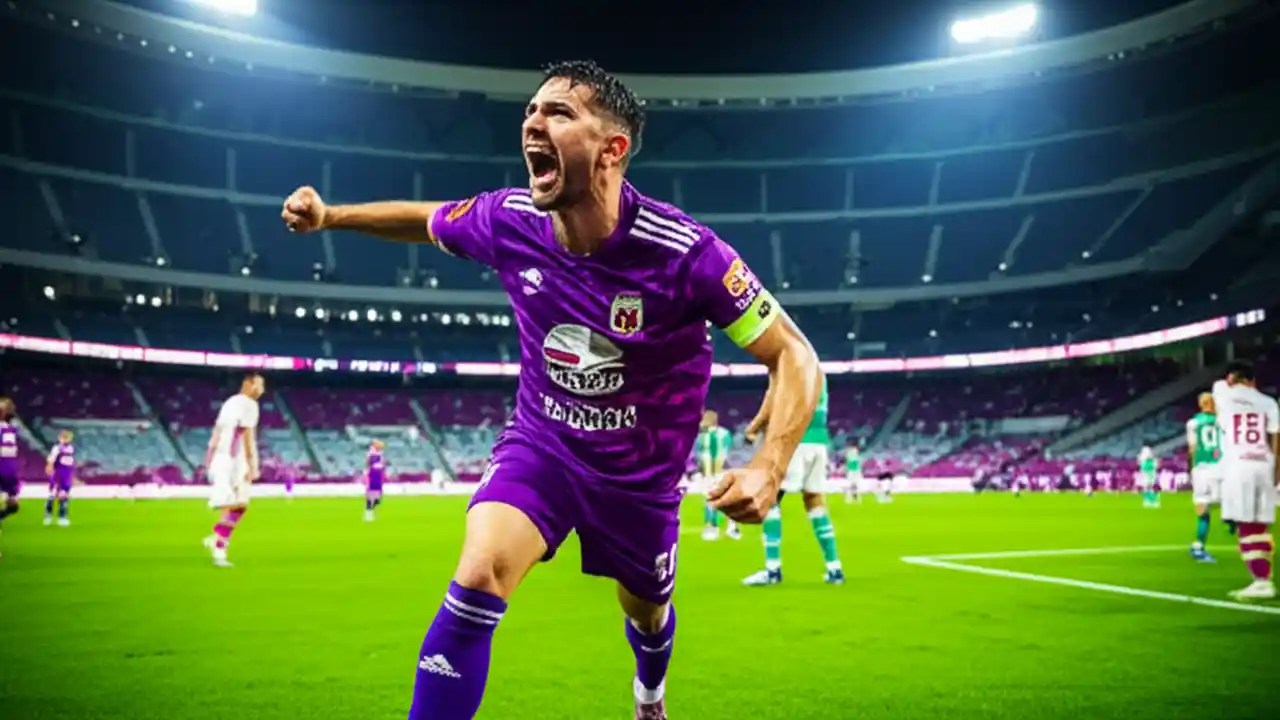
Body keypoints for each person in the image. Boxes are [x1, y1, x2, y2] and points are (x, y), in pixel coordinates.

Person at [281, 59, 821, 720]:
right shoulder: (508, 221)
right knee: (479, 574)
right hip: (543, 447)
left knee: (647, 615)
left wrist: (770, 466)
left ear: (611, 150)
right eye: (531, 112)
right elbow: (426, 220)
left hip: (640, 477)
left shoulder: (685, 254)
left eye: (559, 112)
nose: (533, 121)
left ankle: (649, 694)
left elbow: (794, 351)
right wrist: (331, 216)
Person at [741, 373, 844, 586]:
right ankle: (834, 569)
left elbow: (773, 400)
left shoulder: (785, 361)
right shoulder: (817, 370)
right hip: (819, 441)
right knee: (815, 501)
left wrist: (753, 428)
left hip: (795, 440)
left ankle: (772, 570)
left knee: (771, 499)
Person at [1211, 361, 1278, 600]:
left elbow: (1220, 385)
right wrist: (1276, 476)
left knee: (1246, 526)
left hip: (1240, 465)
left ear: (1233, 379)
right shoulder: (1268, 402)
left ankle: (1261, 580)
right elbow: (1276, 441)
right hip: (1265, 464)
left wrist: (1231, 382)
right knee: (1261, 524)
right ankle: (1264, 577)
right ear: (1253, 381)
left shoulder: (1225, 396)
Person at [201, 373, 264, 568]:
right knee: (237, 505)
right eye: (259, 385)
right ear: (247, 384)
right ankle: (219, 547)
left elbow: (217, 430)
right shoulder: (249, 405)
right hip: (235, 461)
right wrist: (252, 465)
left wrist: (209, 457)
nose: (262, 390)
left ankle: (217, 539)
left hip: (221, 458)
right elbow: (247, 436)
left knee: (236, 504)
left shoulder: (229, 403)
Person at [1186, 393, 1222, 562]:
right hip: (1219, 466)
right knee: (1233, 505)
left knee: (1203, 509)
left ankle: (1198, 546)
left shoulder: (1193, 423)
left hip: (1201, 469)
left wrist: (1191, 469)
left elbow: (1192, 449)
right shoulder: (1223, 421)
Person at [695, 410, 740, 541]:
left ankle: (715, 526)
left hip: (714, 471)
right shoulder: (722, 433)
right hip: (716, 471)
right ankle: (727, 526)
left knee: (716, 498)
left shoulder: (704, 436)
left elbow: (699, 454)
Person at [0, 397, 22, 557]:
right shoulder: (11, 429)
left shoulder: (11, 429)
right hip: (5, 469)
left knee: (13, 506)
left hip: (8, 470)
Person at [44, 430, 76, 527]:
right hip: (58, 474)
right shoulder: (57, 448)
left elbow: (70, 463)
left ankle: (62, 517)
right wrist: (49, 467)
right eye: (64, 437)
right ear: (60, 438)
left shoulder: (71, 448)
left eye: (68, 437)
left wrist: (72, 475)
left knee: (64, 496)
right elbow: (51, 459)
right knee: (53, 495)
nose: (66, 439)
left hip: (66, 474)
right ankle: (48, 515)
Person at [365, 439, 387, 522]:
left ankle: (373, 511)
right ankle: (369, 512)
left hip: (378, 474)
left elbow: (383, 464)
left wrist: (383, 472)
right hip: (373, 474)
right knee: (371, 494)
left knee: (378, 495)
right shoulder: (370, 454)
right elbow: (368, 463)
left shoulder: (380, 454)